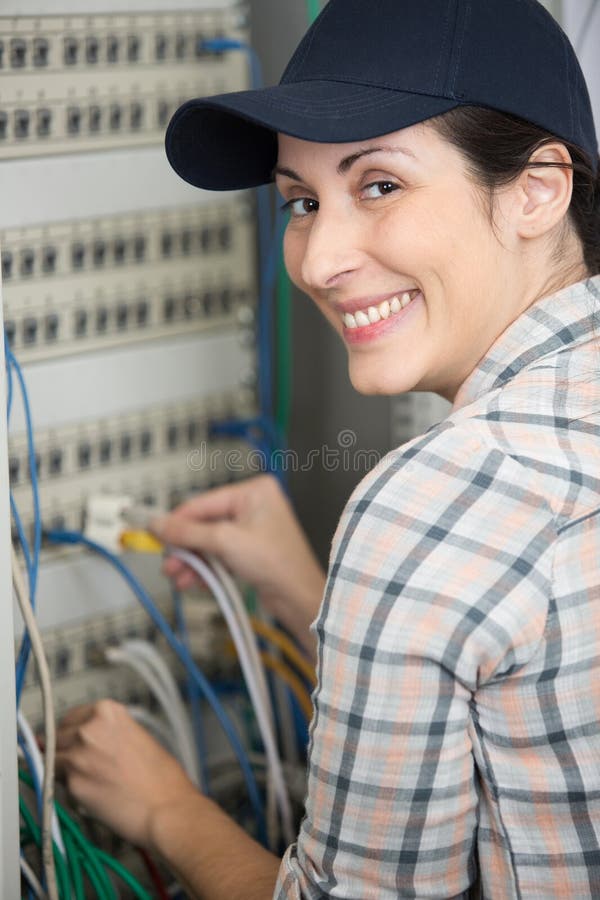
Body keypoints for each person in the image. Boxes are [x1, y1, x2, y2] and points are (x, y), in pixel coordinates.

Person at [56, 0, 600, 896]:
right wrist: (307, 590)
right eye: (302, 202)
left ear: (538, 188)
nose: (316, 260)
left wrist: (163, 808)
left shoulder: (431, 506)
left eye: (379, 184)